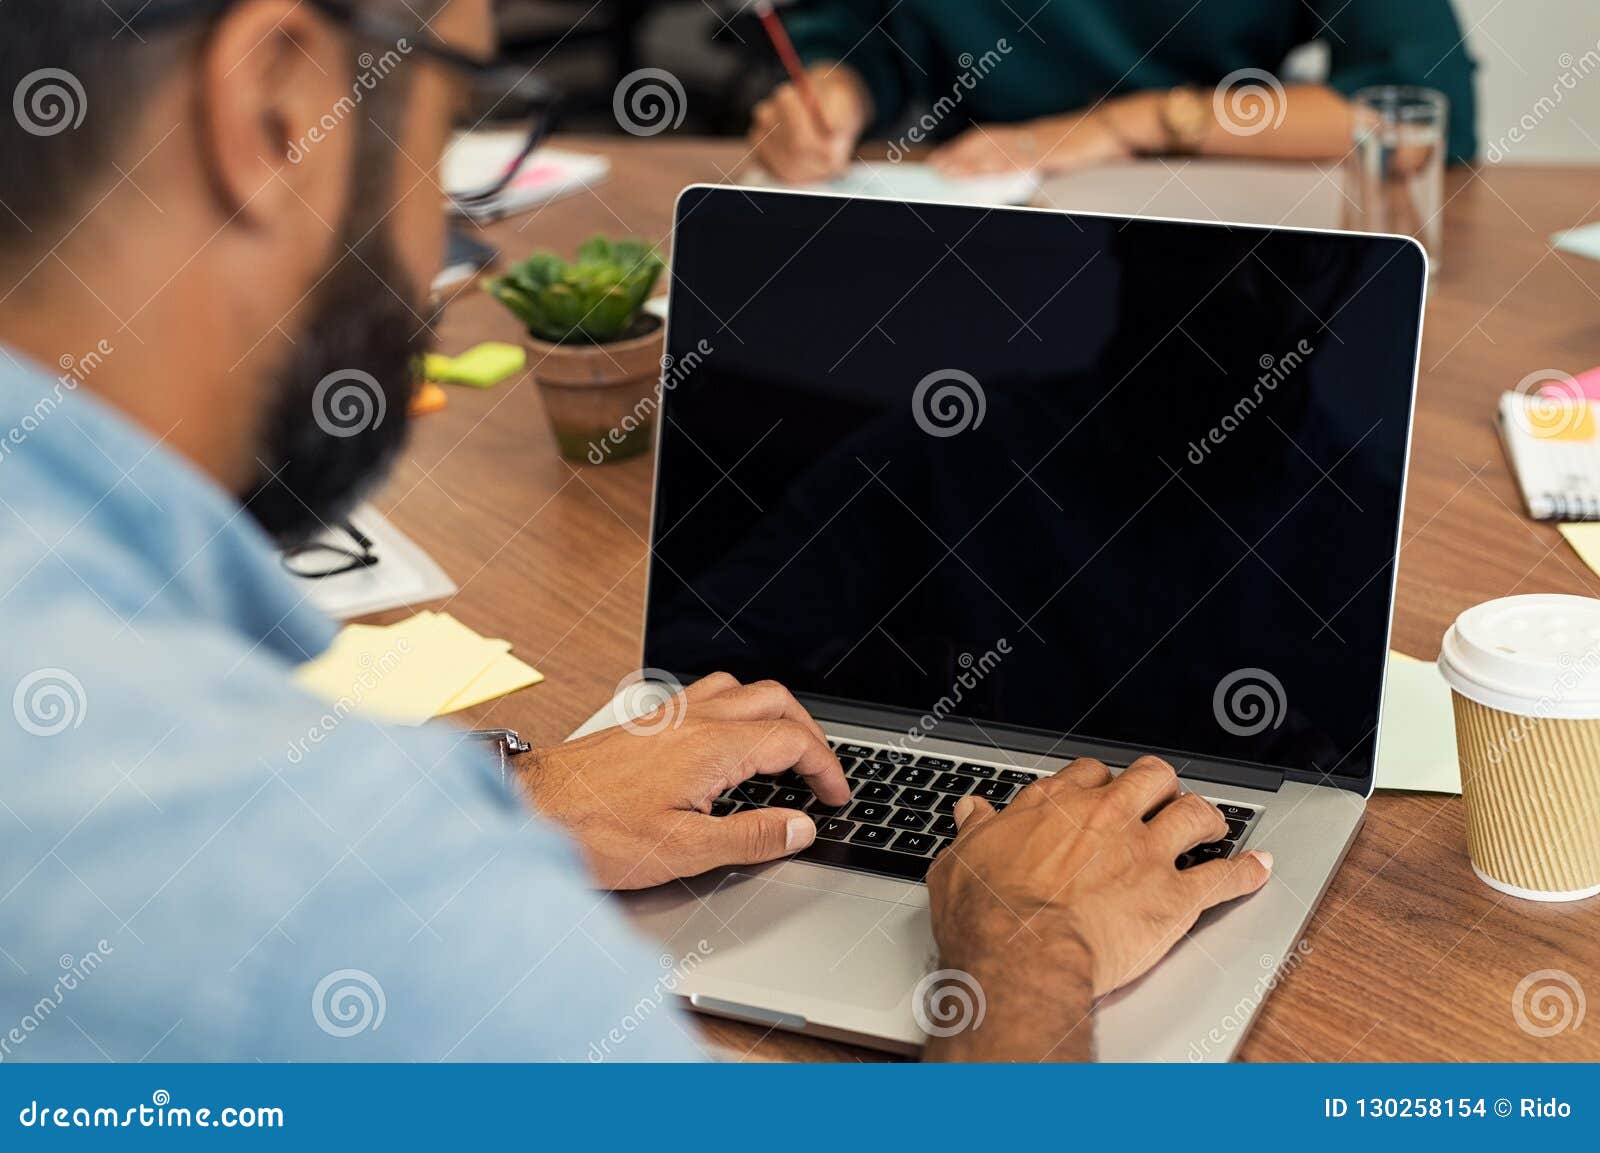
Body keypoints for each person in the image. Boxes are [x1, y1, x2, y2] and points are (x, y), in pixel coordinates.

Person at [0, 0, 1268, 1062]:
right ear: (279, 111)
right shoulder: (397, 931)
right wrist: (1026, 944)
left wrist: (509, 791)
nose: (453, 224)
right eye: (458, 125)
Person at [750, 0, 1477, 182]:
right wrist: (834, 87)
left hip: (1217, 244)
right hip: (978, 222)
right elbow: (866, 34)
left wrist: (1131, 125)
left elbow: (1422, 114)